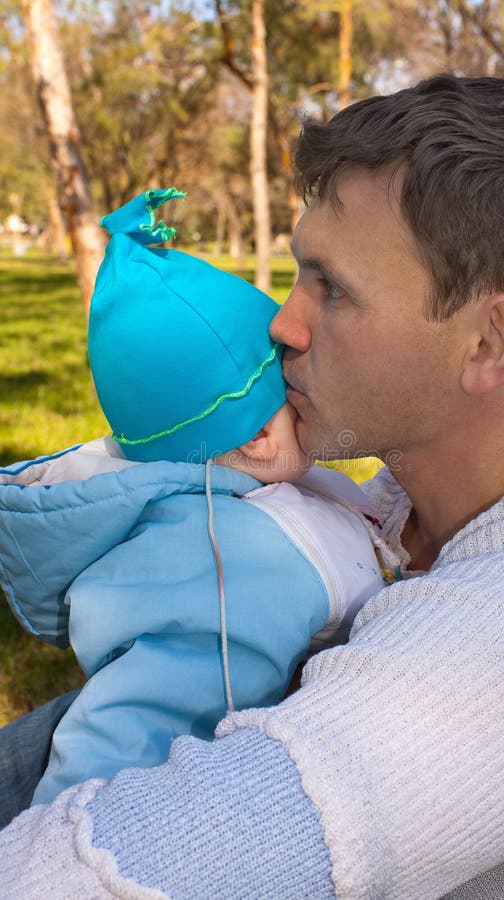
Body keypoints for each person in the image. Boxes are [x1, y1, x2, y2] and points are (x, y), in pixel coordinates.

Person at [0, 72, 504, 898]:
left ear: (490, 342)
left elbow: (139, 868)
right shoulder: (401, 496)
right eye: (298, 273)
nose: (282, 322)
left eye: (333, 286)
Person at [0, 188, 387, 806]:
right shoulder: (240, 565)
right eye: (293, 390)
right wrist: (59, 845)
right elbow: (128, 729)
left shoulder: (262, 493)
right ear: (260, 437)